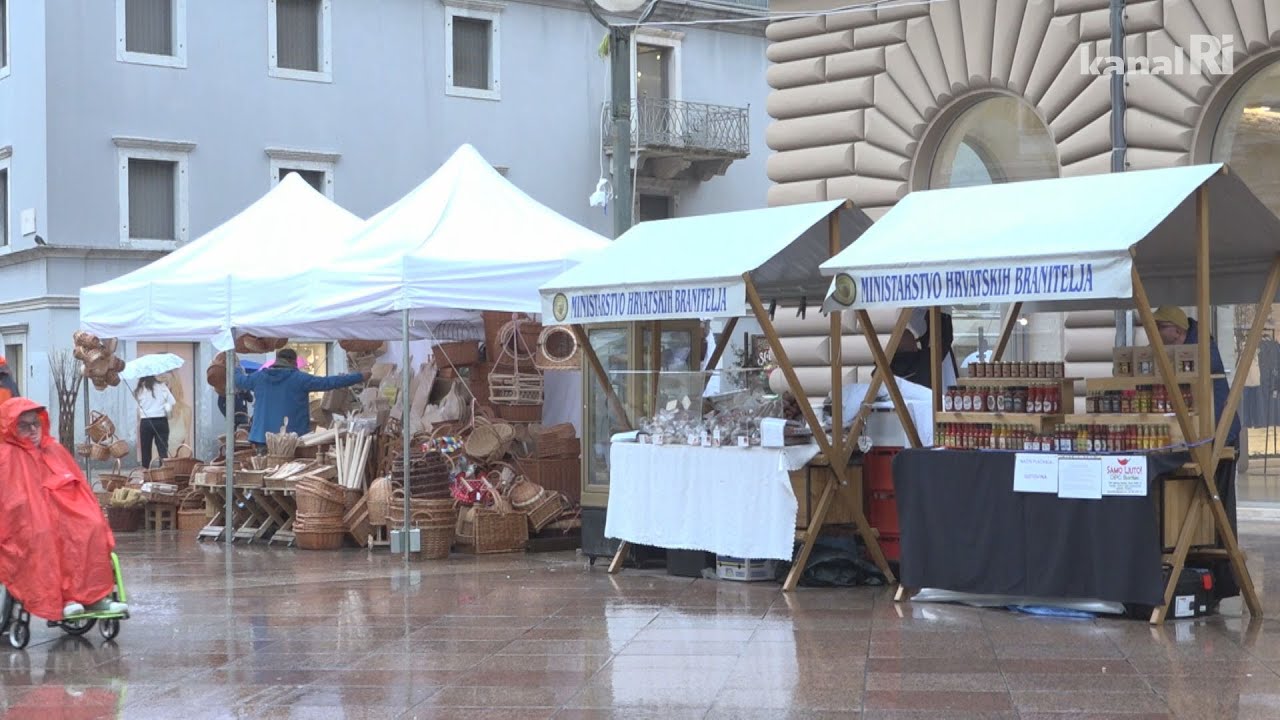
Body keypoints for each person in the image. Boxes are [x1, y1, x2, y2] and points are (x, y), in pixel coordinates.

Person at [0, 398, 126, 619]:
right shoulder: (6, 456)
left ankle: (94, 596)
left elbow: (79, 486)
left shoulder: (54, 449)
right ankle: (64, 597)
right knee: (46, 534)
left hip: (63, 510)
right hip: (26, 521)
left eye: (35, 424)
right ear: (10, 427)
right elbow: (10, 502)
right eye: (24, 425)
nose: (32, 430)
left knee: (91, 526)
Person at [1152, 305, 1241, 602]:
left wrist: (1209, 446)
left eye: (1163, 334)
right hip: (1203, 440)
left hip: (1217, 441)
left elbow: (1214, 406)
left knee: (1215, 514)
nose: (1159, 341)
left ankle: (1218, 581)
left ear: (1177, 331)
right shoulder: (1188, 347)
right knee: (1208, 513)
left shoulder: (1202, 353)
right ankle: (1207, 578)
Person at [235, 348, 368, 450]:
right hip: (293, 439)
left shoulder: (259, 378)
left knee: (263, 474)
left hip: (262, 438)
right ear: (293, 362)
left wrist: (234, 367)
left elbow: (239, 380)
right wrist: (358, 377)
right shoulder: (299, 379)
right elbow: (328, 382)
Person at [133, 375, 176, 469]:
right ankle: (164, 474)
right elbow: (172, 401)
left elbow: (137, 405)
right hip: (161, 421)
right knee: (162, 450)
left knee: (146, 451)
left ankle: (146, 475)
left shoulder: (140, 389)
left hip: (145, 422)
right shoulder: (162, 386)